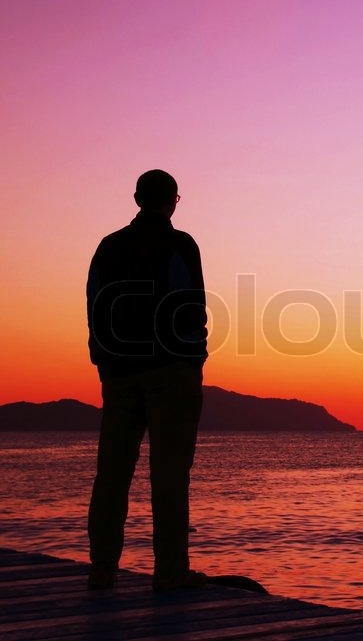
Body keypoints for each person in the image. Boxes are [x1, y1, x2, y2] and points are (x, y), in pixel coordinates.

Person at [86, 169, 208, 590]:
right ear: (172, 200)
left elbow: (95, 305)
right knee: (170, 475)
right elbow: (190, 307)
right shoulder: (179, 244)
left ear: (137, 198)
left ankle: (102, 568)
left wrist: (103, 361)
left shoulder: (109, 246)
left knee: (112, 474)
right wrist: (192, 360)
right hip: (170, 371)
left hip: (119, 373)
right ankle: (170, 571)